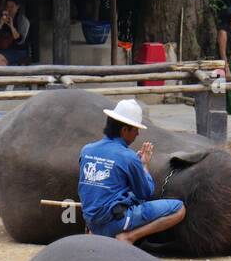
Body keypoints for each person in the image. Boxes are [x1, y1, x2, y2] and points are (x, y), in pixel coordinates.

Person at [77, 99, 186, 244]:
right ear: (124, 130)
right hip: (115, 223)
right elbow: (146, 193)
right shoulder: (129, 157)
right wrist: (144, 165)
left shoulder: (87, 150)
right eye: (135, 129)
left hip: (92, 222)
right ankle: (130, 237)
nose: (138, 134)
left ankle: (93, 231)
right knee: (179, 209)